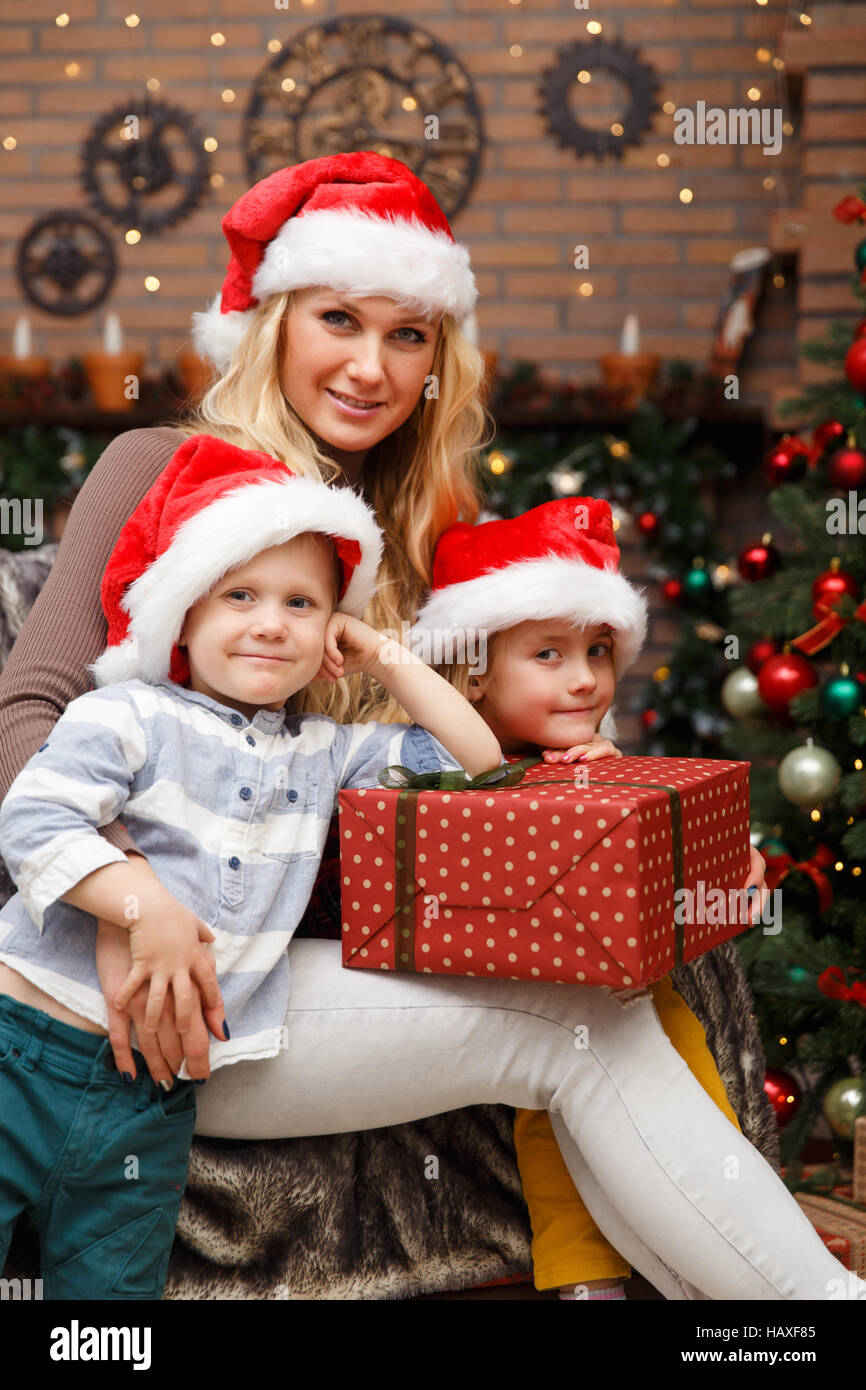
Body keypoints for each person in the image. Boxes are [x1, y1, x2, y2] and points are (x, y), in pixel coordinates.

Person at [0, 152, 781, 1298]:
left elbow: (466, 763)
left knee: (606, 993)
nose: (370, 367)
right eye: (336, 319)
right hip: (164, 982)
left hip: (329, 941)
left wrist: (573, 779)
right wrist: (126, 897)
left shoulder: (428, 524)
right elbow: (29, 714)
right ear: (270, 320)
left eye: (409, 335)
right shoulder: (157, 467)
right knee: (571, 1034)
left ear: (437, 359)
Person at [0, 433, 503, 1299]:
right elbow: (34, 816)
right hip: (21, 1054)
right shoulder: (124, 713)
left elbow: (480, 759)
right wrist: (139, 905)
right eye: (239, 594)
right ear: (181, 616)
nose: (272, 621)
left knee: (111, 1315)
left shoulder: (325, 753)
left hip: (151, 1100)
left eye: (303, 604)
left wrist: (380, 649)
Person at [409, 496, 763, 1300]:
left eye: (599, 650)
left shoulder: (590, 756)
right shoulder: (439, 766)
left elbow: (661, 840)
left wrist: (722, 855)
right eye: (548, 654)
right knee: (563, 1103)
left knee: (667, 1051)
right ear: (472, 671)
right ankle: (595, 1274)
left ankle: (706, 1240)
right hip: (518, 1003)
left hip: (619, 996)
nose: (584, 679)